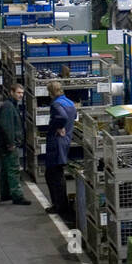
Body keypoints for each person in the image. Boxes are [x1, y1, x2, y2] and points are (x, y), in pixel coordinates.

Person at [44, 80, 78, 221]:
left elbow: (61, 117)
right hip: (65, 141)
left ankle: (59, 205)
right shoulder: (69, 102)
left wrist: (58, 126)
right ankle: (61, 204)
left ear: (51, 92)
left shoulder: (56, 103)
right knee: (57, 174)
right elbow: (74, 115)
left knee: (52, 174)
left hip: (56, 142)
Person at [0, 83, 30, 205]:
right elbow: (7, 127)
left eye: (22, 93)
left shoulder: (10, 106)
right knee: (14, 169)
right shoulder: (8, 107)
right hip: (8, 144)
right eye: (18, 93)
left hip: (4, 144)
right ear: (11, 92)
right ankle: (17, 196)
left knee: (5, 169)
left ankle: (5, 193)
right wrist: (11, 143)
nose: (21, 95)